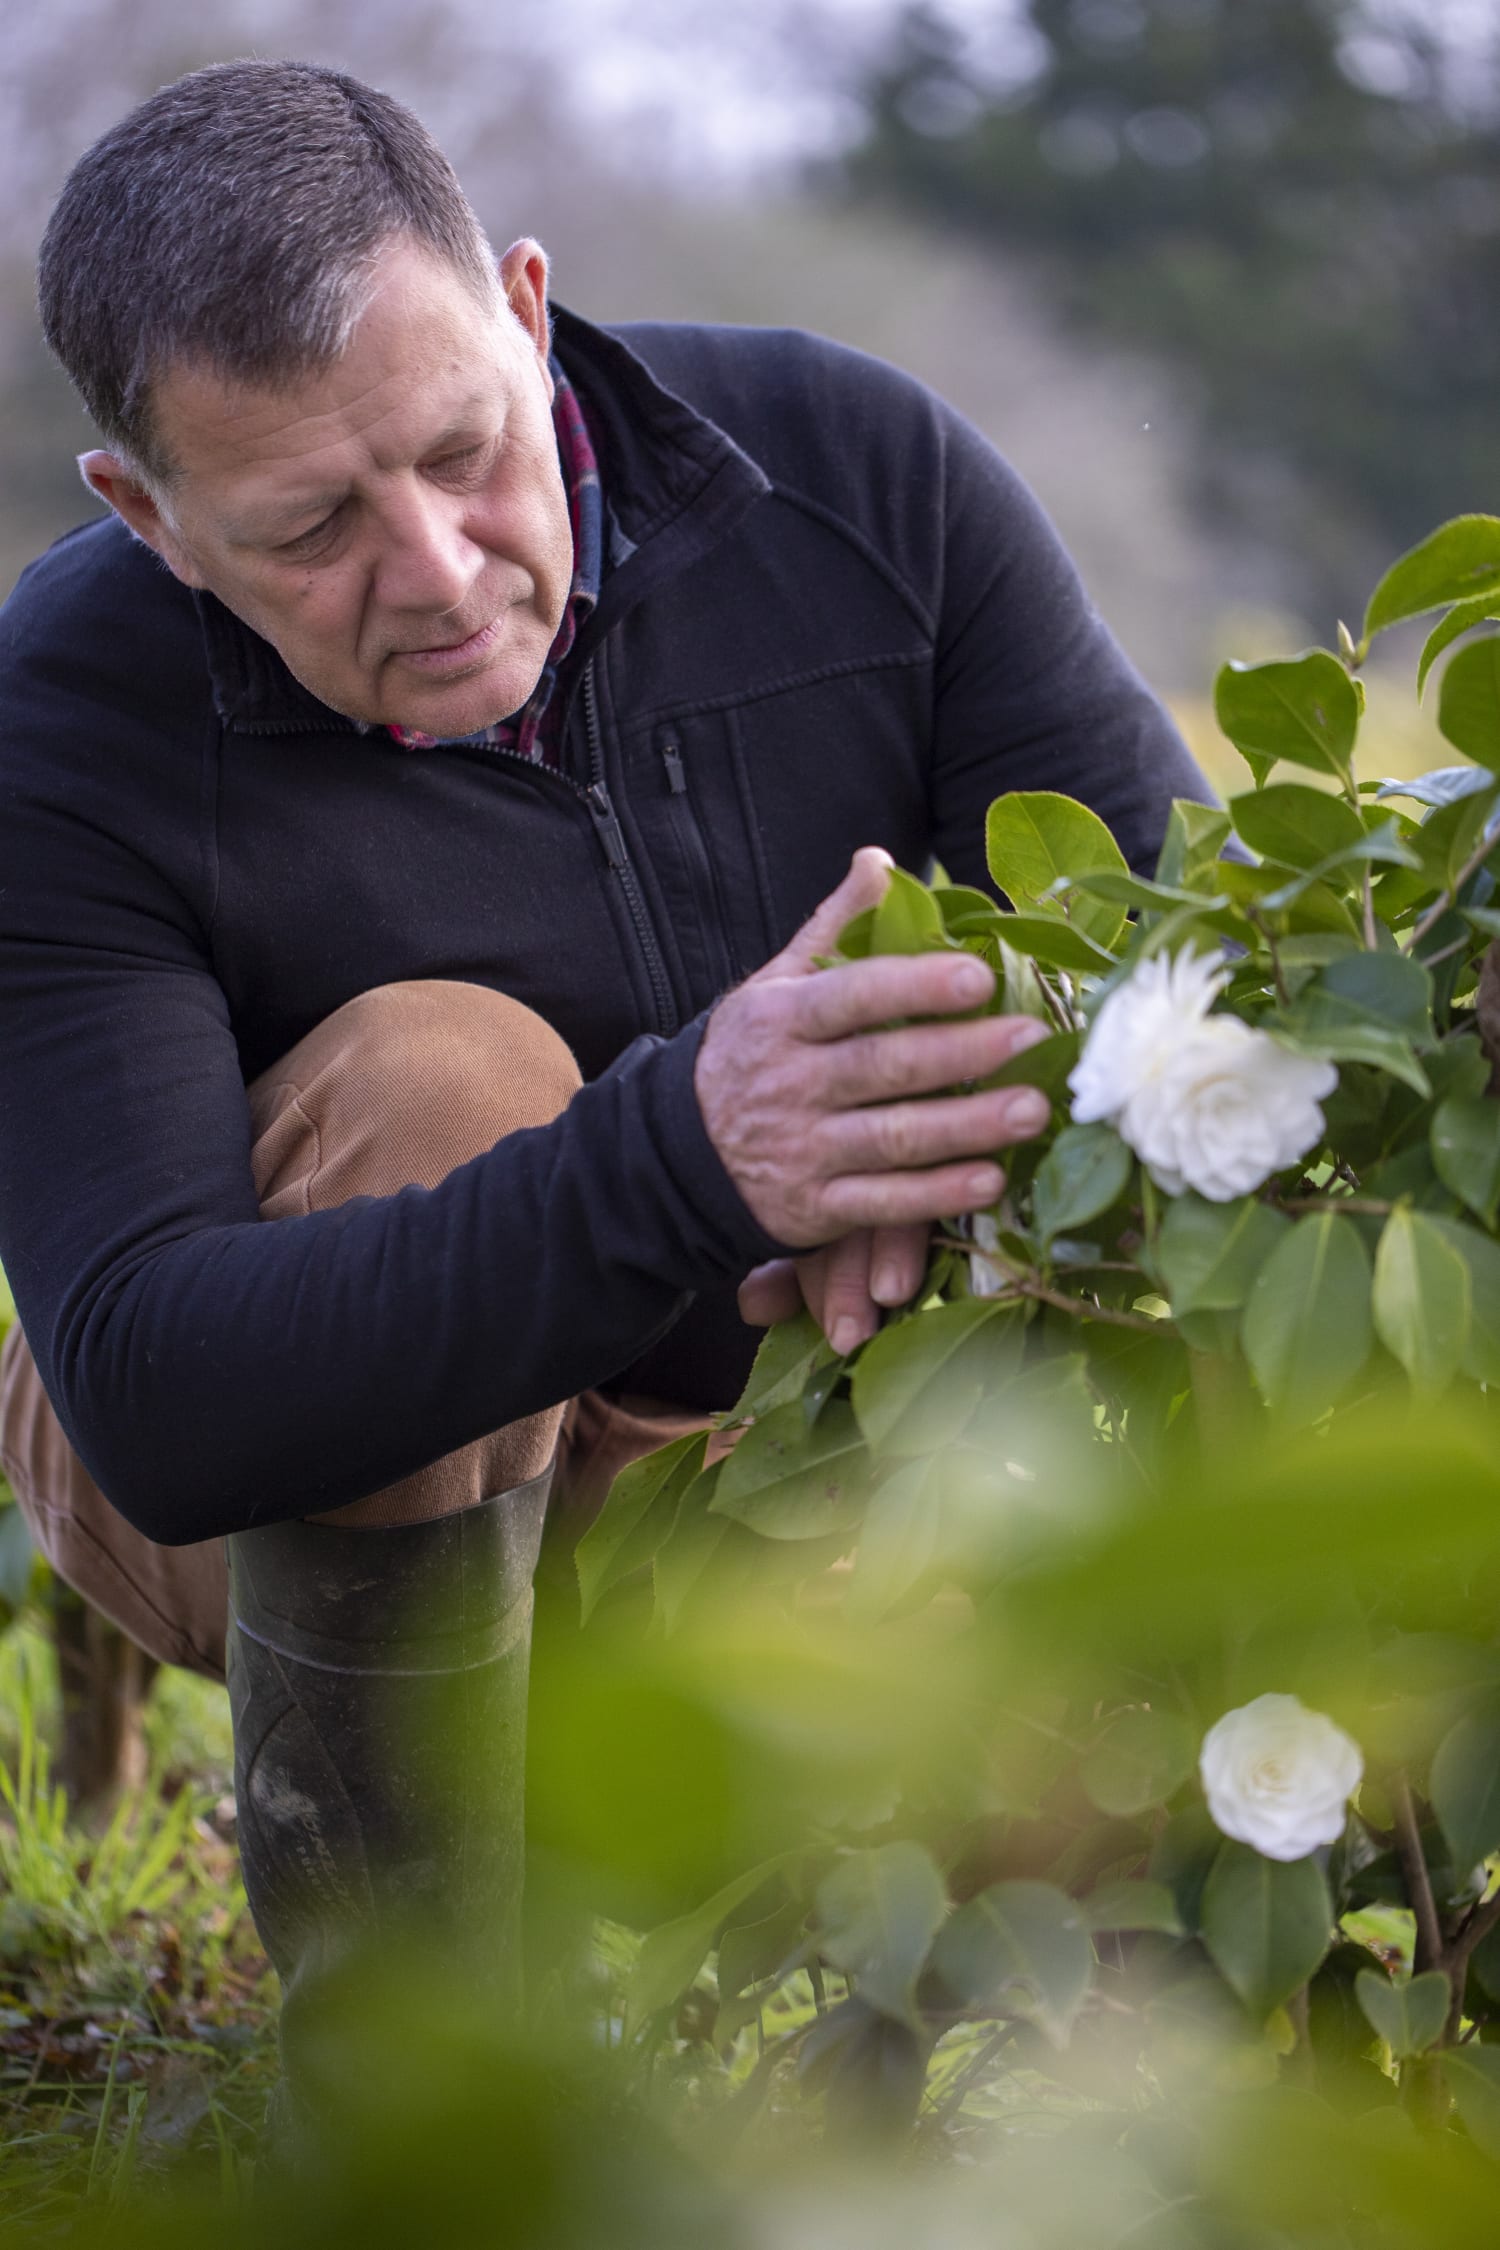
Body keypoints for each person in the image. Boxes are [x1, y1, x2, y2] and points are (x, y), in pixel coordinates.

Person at [0, 58, 1212, 2110]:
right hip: (259, 1469)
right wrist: (697, 1155)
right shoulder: (64, 719)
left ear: (530, 308)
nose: (444, 571)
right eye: (312, 529)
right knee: (436, 1074)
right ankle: (418, 2065)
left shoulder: (860, 474)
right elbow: (162, 1387)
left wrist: (918, 1135)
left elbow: (1180, 972)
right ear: (157, 520)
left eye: (467, 451)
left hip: (783, 1450)